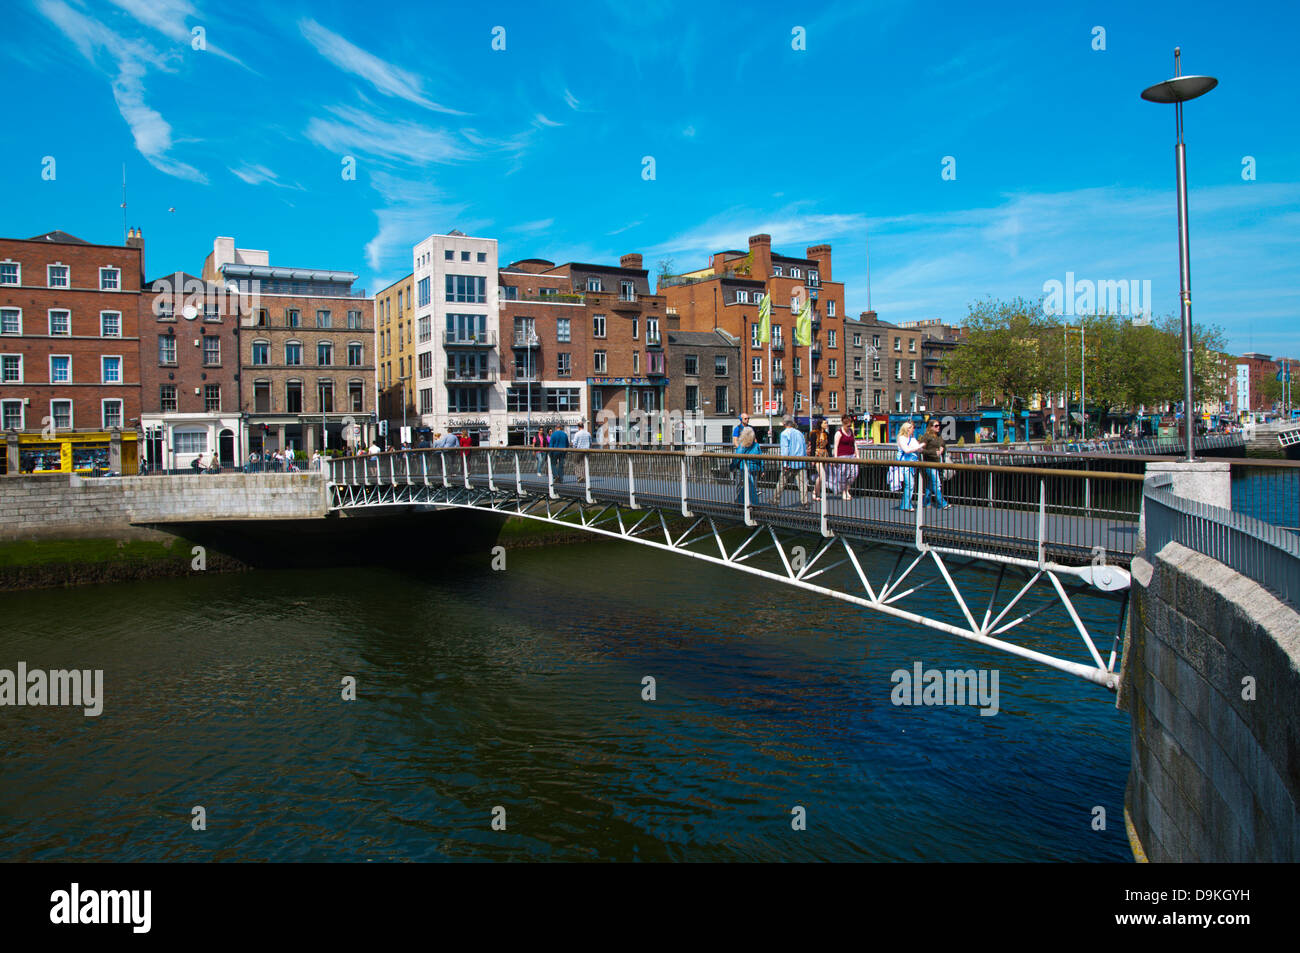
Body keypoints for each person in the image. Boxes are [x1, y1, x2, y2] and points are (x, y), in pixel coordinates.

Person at [918, 418, 951, 510]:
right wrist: (933, 452)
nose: (938, 427)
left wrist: (942, 448)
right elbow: (921, 450)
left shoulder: (938, 436)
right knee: (936, 482)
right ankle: (942, 503)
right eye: (936, 426)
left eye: (939, 425)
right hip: (929, 463)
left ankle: (926, 502)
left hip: (937, 463)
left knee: (930, 483)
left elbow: (942, 444)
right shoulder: (926, 437)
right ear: (930, 427)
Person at [774, 415, 808, 505]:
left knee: (782, 482)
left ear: (784, 423)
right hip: (800, 462)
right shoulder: (799, 433)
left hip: (789, 462)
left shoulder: (784, 434)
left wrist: (785, 464)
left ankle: (775, 500)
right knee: (802, 483)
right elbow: (804, 447)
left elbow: (785, 450)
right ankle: (805, 502)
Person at [825, 413, 860, 501]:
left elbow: (854, 443)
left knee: (854, 473)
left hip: (851, 455)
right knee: (843, 475)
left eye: (850, 425)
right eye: (848, 425)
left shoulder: (851, 432)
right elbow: (836, 446)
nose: (849, 427)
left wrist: (857, 454)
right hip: (842, 456)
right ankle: (844, 492)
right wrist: (836, 458)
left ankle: (846, 489)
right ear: (844, 424)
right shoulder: (839, 433)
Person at [892, 421, 922, 511]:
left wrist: (920, 446)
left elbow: (919, 449)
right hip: (905, 464)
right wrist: (917, 447)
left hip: (912, 464)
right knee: (909, 484)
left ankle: (905, 504)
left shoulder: (912, 438)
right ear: (908, 429)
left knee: (909, 485)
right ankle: (906, 505)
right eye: (913, 427)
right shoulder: (902, 438)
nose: (914, 429)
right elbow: (907, 450)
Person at [731, 426, 764, 505]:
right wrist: (762, 469)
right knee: (751, 485)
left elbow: (737, 457)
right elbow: (761, 457)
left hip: (746, 468)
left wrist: (732, 466)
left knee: (749, 485)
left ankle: (745, 502)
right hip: (754, 468)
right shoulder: (756, 445)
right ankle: (747, 502)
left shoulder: (742, 445)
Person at [809, 417, 831, 502]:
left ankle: (816, 491)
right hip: (817, 455)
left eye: (826, 423)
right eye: (825, 423)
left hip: (824, 455)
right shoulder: (814, 434)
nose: (826, 424)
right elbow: (813, 447)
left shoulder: (826, 434)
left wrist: (831, 458)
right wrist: (812, 459)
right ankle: (816, 492)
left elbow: (828, 447)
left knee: (823, 475)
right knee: (821, 475)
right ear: (820, 424)